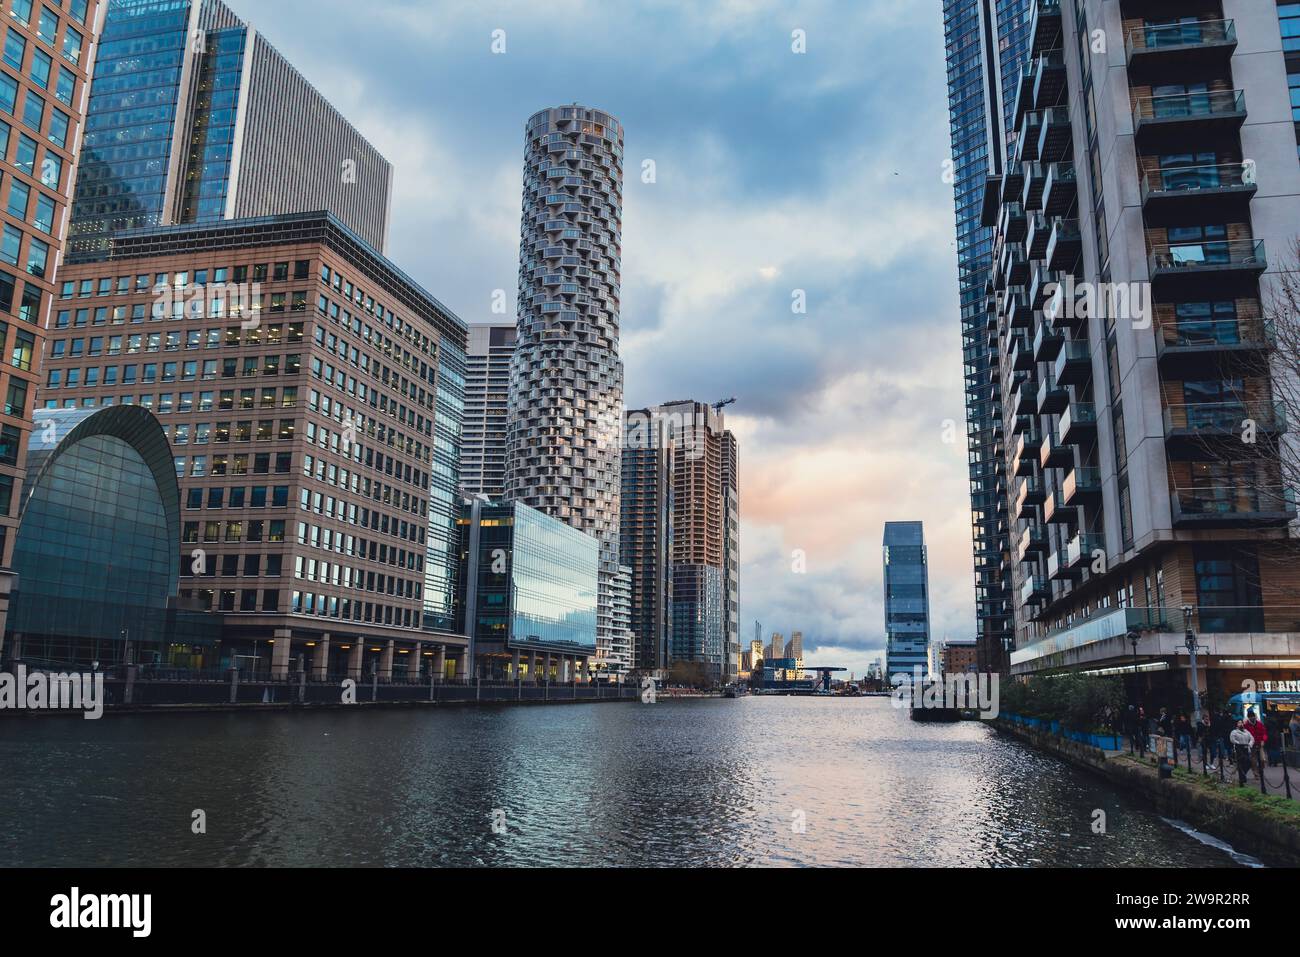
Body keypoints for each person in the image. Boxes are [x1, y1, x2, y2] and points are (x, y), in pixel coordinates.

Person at [1244, 709, 1268, 777]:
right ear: (1248, 717)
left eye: (1253, 716)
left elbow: (1264, 733)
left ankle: (1259, 770)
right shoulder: (1246, 725)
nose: (1252, 718)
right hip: (1251, 744)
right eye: (1250, 717)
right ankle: (1255, 772)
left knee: (1262, 759)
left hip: (1259, 743)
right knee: (1253, 760)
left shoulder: (1259, 724)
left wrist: (1263, 740)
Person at [1230, 721, 1255, 786]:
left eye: (1242, 723)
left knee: (1248, 762)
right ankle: (1241, 780)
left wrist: (1250, 744)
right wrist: (1238, 743)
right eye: (1239, 723)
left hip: (1246, 748)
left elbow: (1252, 738)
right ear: (1236, 724)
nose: (1241, 724)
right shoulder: (1234, 732)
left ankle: (1243, 775)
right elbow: (1232, 739)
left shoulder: (1246, 731)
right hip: (1239, 749)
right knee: (1241, 763)